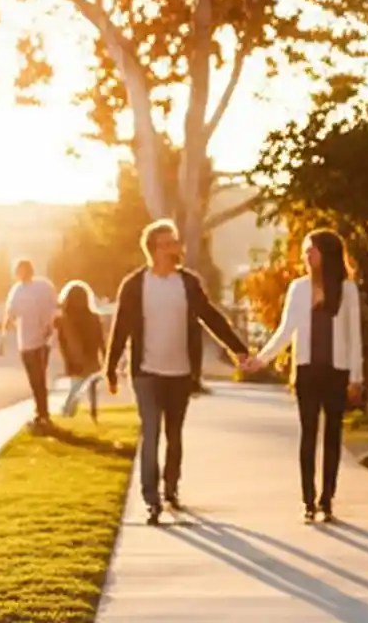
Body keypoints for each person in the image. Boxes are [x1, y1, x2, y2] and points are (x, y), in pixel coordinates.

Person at [105, 219, 250, 525]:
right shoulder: (135, 285)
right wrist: (111, 368)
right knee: (151, 433)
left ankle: (171, 489)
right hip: (145, 372)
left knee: (174, 435)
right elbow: (121, 327)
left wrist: (238, 348)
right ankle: (151, 499)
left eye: (175, 242)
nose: (175, 248)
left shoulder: (188, 283)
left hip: (180, 373)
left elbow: (210, 316)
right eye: (169, 243)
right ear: (155, 250)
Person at [245, 229, 363, 523]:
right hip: (307, 371)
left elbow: (354, 336)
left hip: (337, 371)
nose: (306, 256)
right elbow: (286, 330)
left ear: (327, 254)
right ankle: (308, 499)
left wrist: (356, 378)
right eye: (306, 252)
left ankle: (328, 498)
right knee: (308, 434)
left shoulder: (347, 291)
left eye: (312, 251)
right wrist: (261, 359)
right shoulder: (298, 288)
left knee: (333, 436)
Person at [0, 258, 58, 430]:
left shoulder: (35, 288)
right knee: (37, 379)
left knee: (38, 379)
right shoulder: (26, 289)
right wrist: (2, 339)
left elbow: (53, 309)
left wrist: (49, 328)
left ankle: (42, 413)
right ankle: (42, 413)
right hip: (30, 341)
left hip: (37, 342)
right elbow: (10, 315)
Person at [55, 280, 107, 423]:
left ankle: (68, 410)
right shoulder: (94, 317)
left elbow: (63, 343)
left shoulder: (65, 320)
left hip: (74, 358)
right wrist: (105, 355)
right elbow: (100, 338)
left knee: (76, 386)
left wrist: (66, 358)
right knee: (91, 386)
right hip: (91, 356)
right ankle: (92, 411)